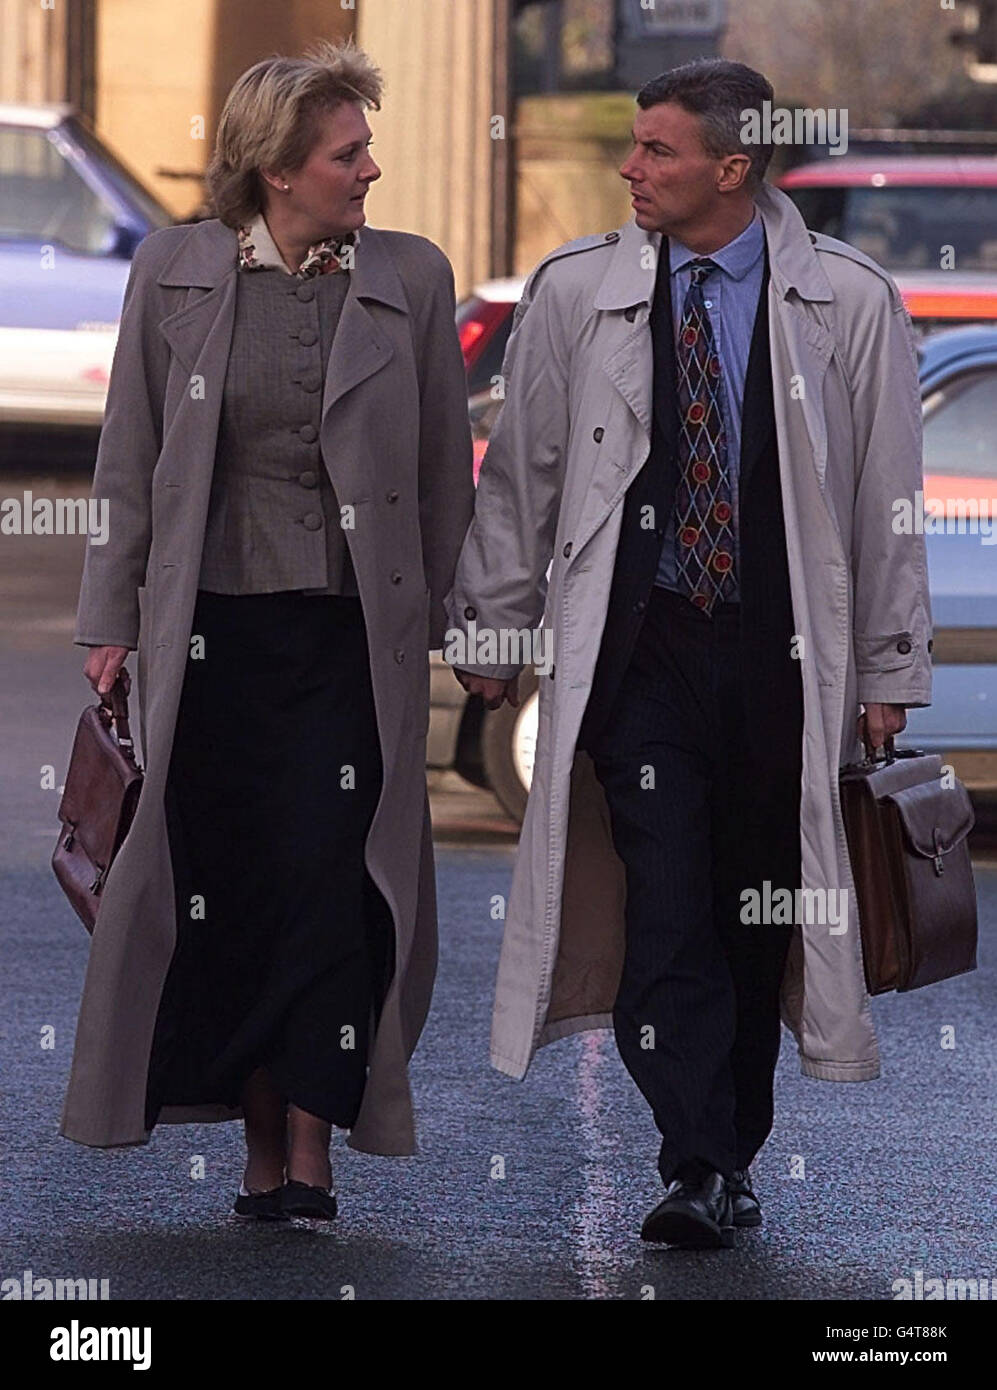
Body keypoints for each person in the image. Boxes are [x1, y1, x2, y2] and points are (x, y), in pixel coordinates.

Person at [445, 58, 931, 1248]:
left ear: (734, 166)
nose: (630, 168)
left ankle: (728, 1152)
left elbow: (885, 503)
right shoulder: (575, 292)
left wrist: (886, 674)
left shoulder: (850, 302)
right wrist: (495, 624)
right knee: (663, 907)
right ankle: (696, 1159)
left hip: (781, 664)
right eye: (630, 145)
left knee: (749, 915)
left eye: (657, 150)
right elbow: (525, 475)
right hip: (644, 649)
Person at [61, 39, 474, 1222]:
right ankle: (258, 1146)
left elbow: (444, 473)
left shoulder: (413, 276)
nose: (371, 172)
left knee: (333, 887)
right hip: (212, 642)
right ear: (278, 168)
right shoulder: (176, 271)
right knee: (229, 889)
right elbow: (128, 461)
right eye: (349, 154)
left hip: (349, 644)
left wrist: (448, 626)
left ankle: (312, 1144)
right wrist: (110, 619)